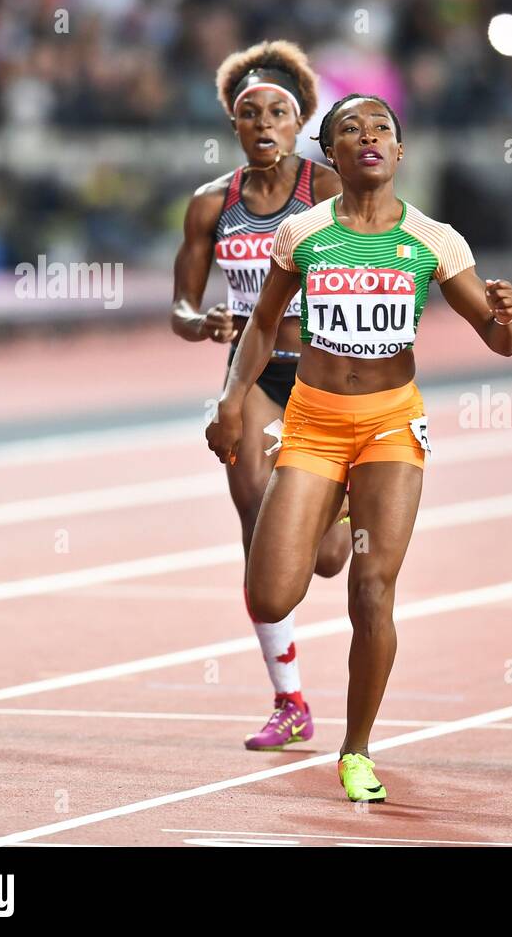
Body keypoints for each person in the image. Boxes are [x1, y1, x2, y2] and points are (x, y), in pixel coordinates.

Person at [207, 93, 512, 801]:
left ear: (400, 152)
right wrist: (232, 402)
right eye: (350, 129)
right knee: (271, 592)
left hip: (389, 427)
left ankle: (356, 750)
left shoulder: (434, 239)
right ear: (332, 154)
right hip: (315, 424)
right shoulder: (302, 233)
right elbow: (260, 328)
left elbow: (496, 340)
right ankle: (342, 517)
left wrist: (507, 319)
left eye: (383, 127)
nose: (369, 135)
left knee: (371, 593)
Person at [171, 41, 351, 751]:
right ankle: (290, 699)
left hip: (326, 375)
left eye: (278, 110)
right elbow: (180, 309)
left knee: (326, 558)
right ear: (235, 124)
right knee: (259, 538)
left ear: (300, 118)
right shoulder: (211, 204)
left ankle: (336, 504)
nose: (264, 122)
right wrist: (204, 321)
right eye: (250, 113)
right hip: (249, 376)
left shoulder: (329, 192)